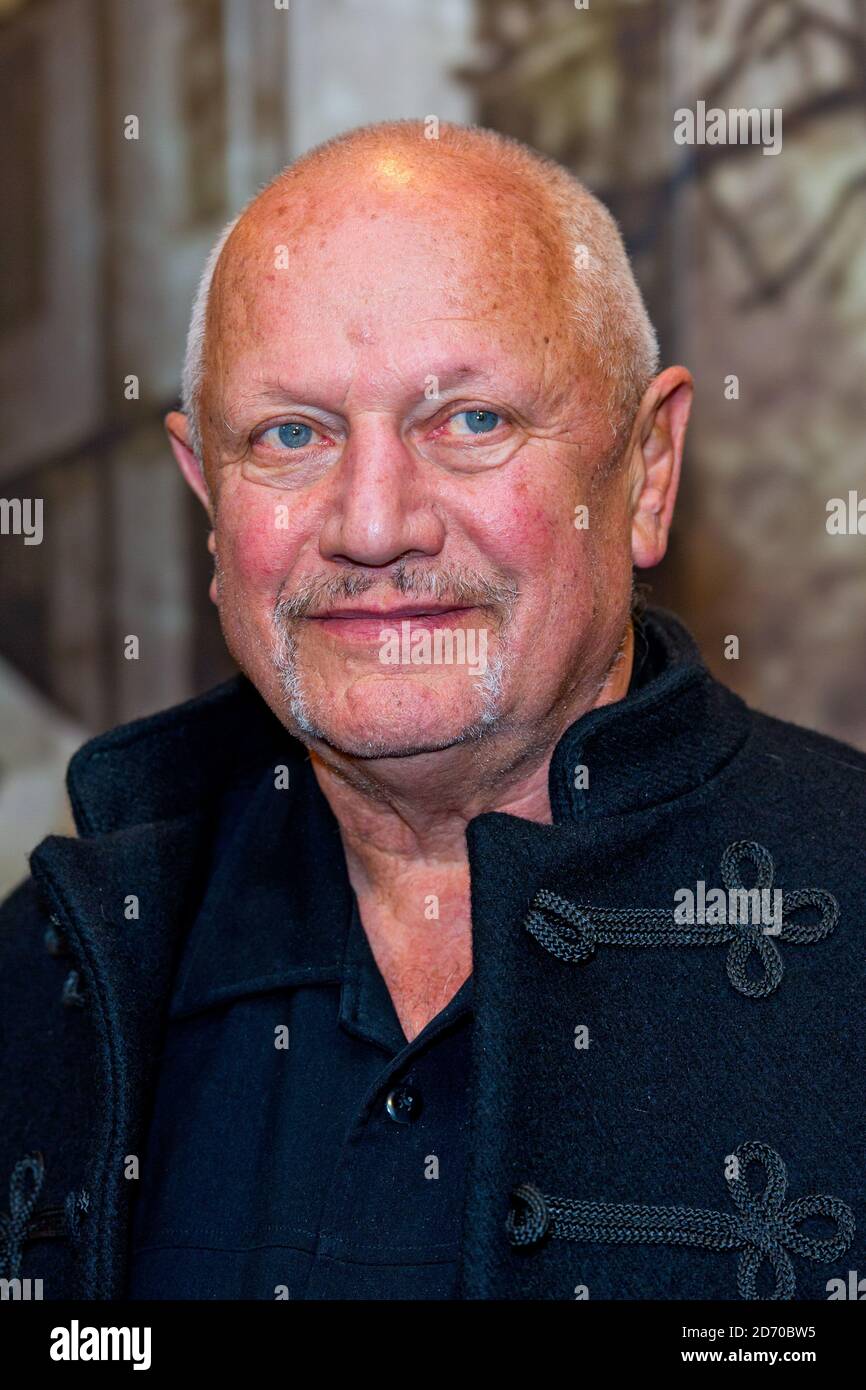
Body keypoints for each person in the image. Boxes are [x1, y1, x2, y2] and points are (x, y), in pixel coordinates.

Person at [1, 120, 863, 1302]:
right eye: (289, 435)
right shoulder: (55, 969)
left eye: (468, 421)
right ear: (207, 495)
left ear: (645, 471)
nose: (370, 523)